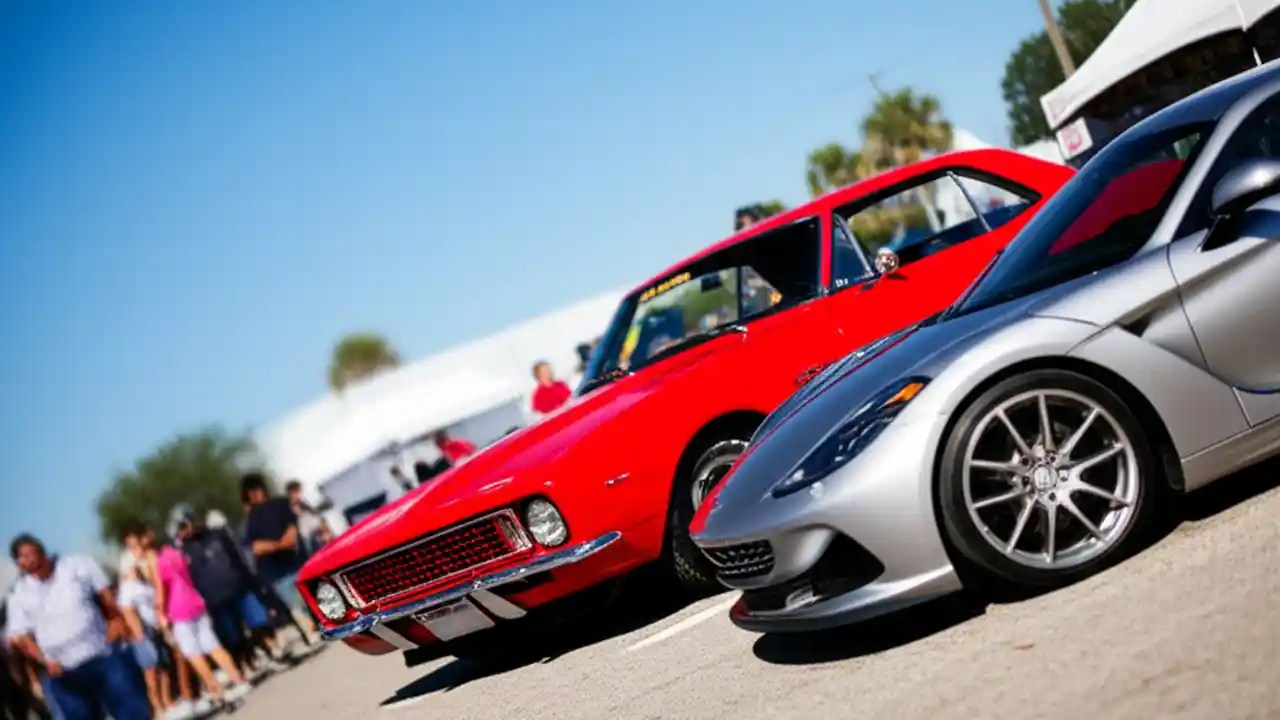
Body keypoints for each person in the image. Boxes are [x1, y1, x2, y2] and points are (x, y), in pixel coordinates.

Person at [5, 534, 150, 720]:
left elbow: (106, 594)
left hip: (101, 655)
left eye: (30, 554)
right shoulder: (18, 595)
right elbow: (21, 638)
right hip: (64, 672)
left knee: (132, 713)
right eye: (22, 558)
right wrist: (44, 660)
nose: (28, 560)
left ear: (41, 552)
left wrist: (116, 621)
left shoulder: (76, 565)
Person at [165, 507, 280, 677]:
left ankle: (274, 649)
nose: (184, 530)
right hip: (215, 602)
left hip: (239, 588)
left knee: (259, 621)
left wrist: (253, 581)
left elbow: (237, 558)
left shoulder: (217, 535)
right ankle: (245, 666)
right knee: (234, 639)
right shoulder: (181, 553)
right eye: (180, 528)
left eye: (185, 525)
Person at [149, 521, 251, 710]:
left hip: (178, 610)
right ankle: (238, 678)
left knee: (193, 653)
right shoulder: (176, 554)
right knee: (212, 645)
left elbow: (161, 592)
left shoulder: (159, 562)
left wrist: (160, 616)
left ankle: (215, 689)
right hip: (196, 602)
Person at [241, 473, 318, 644]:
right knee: (294, 604)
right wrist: (280, 545)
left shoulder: (281, 503)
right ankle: (311, 631)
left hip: (294, 562)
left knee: (308, 598)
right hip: (274, 572)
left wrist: (282, 543)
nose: (254, 494)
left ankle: (320, 625)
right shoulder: (251, 519)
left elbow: (292, 528)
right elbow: (255, 547)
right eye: (250, 491)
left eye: (256, 489)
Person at [113, 551, 171, 720]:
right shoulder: (126, 589)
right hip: (143, 633)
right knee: (150, 670)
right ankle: (157, 704)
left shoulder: (144, 583)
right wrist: (139, 634)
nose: (136, 568)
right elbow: (128, 611)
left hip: (156, 628)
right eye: (133, 566)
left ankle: (167, 699)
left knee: (164, 665)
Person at [285, 482, 331, 559]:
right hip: (311, 537)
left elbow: (316, 514)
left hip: (319, 532)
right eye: (295, 492)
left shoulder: (304, 503)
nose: (298, 495)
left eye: (298, 491)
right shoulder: (292, 508)